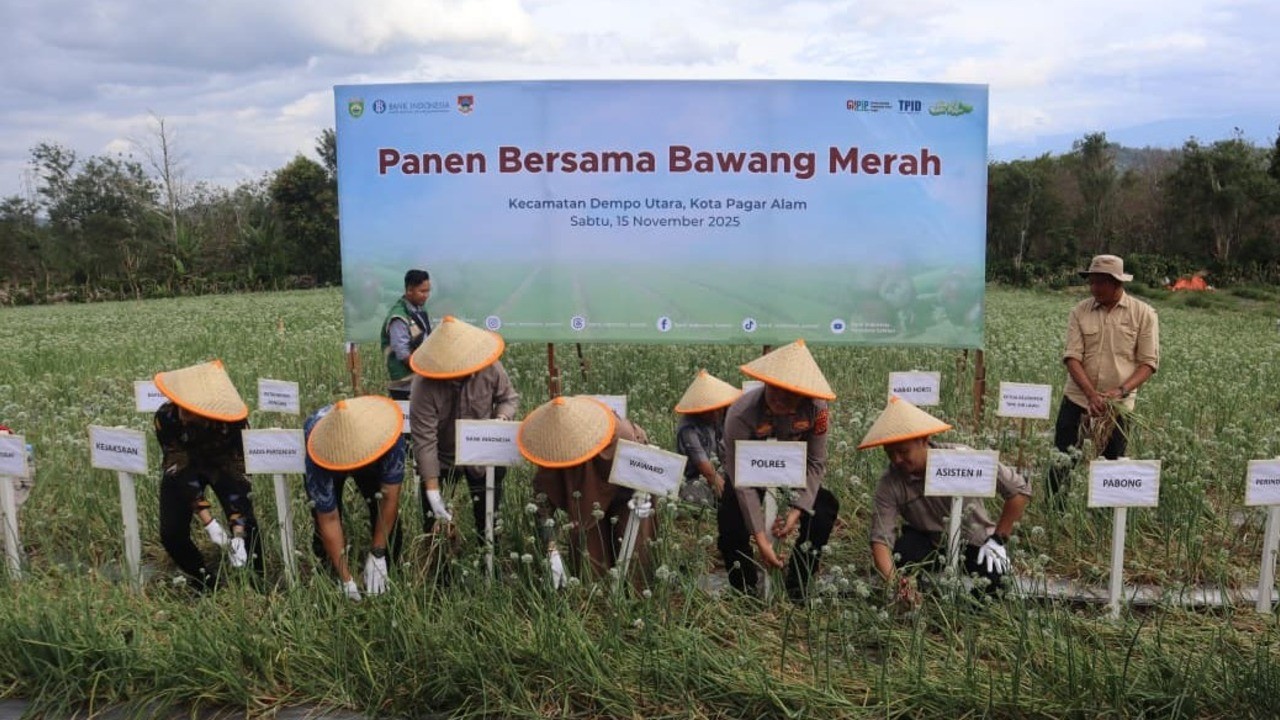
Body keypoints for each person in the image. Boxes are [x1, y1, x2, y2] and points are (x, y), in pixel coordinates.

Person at [858, 397, 1031, 601]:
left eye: (904, 452)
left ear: (924, 439)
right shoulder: (890, 482)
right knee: (902, 555)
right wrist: (895, 584)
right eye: (890, 453)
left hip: (975, 542)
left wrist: (999, 539)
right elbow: (881, 539)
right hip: (928, 542)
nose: (897, 459)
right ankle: (920, 601)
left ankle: (969, 612)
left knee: (998, 581)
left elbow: (1019, 491)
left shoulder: (961, 457)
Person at [720, 340, 839, 602]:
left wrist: (796, 510)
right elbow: (741, 479)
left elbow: (815, 463)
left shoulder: (818, 410)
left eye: (790, 392)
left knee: (824, 508)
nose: (780, 398)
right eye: (775, 388)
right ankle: (745, 591)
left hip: (792, 472)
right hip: (749, 473)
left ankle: (798, 583)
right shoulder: (740, 414)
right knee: (730, 520)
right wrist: (761, 538)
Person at [1048, 254, 1160, 498]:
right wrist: (1091, 395)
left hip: (1117, 407)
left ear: (1117, 283)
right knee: (1061, 462)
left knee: (1111, 468)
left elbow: (1148, 363)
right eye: (1092, 282)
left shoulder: (1144, 314)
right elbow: (1072, 357)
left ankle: (1105, 518)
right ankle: (1055, 511)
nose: (1094, 288)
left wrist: (1119, 392)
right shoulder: (1080, 311)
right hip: (1078, 400)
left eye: (1100, 282)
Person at [517, 395, 655, 586]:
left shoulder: (622, 436)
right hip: (585, 501)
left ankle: (633, 596)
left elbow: (647, 469)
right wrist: (551, 550)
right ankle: (594, 595)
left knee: (633, 554)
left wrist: (643, 494)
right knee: (590, 566)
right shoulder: (553, 453)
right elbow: (542, 502)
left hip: (626, 493)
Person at [152, 360, 262, 590]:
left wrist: (237, 531)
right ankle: (205, 582)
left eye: (189, 411)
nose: (182, 416)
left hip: (223, 463)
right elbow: (177, 466)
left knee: (248, 528)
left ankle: (256, 583)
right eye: (180, 406)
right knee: (171, 533)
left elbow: (239, 476)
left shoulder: (234, 424)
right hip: (183, 465)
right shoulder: (166, 418)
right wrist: (210, 523)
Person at [408, 316, 519, 540]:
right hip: (442, 456)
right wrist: (433, 491)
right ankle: (442, 559)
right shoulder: (423, 385)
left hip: (483, 452)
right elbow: (425, 440)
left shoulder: (490, 367)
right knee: (436, 526)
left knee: (489, 520)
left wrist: (501, 420)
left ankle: (489, 554)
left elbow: (509, 398)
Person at [304, 396, 406, 600]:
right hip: (328, 457)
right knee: (321, 525)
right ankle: (333, 576)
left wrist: (378, 552)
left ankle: (388, 574)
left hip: (373, 455)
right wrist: (346, 579)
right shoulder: (317, 448)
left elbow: (389, 498)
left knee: (384, 516)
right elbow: (328, 517)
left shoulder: (389, 437)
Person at [673, 370, 740, 507]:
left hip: (723, 470)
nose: (715, 413)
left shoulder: (723, 413)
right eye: (709, 410)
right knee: (694, 498)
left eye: (718, 408)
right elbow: (707, 472)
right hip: (696, 479)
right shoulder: (688, 428)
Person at [381, 269, 433, 400]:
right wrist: (426, 371)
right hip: (405, 382)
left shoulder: (419, 308)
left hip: (419, 377)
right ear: (409, 290)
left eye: (428, 291)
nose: (426, 295)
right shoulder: (398, 317)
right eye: (422, 291)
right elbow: (403, 353)